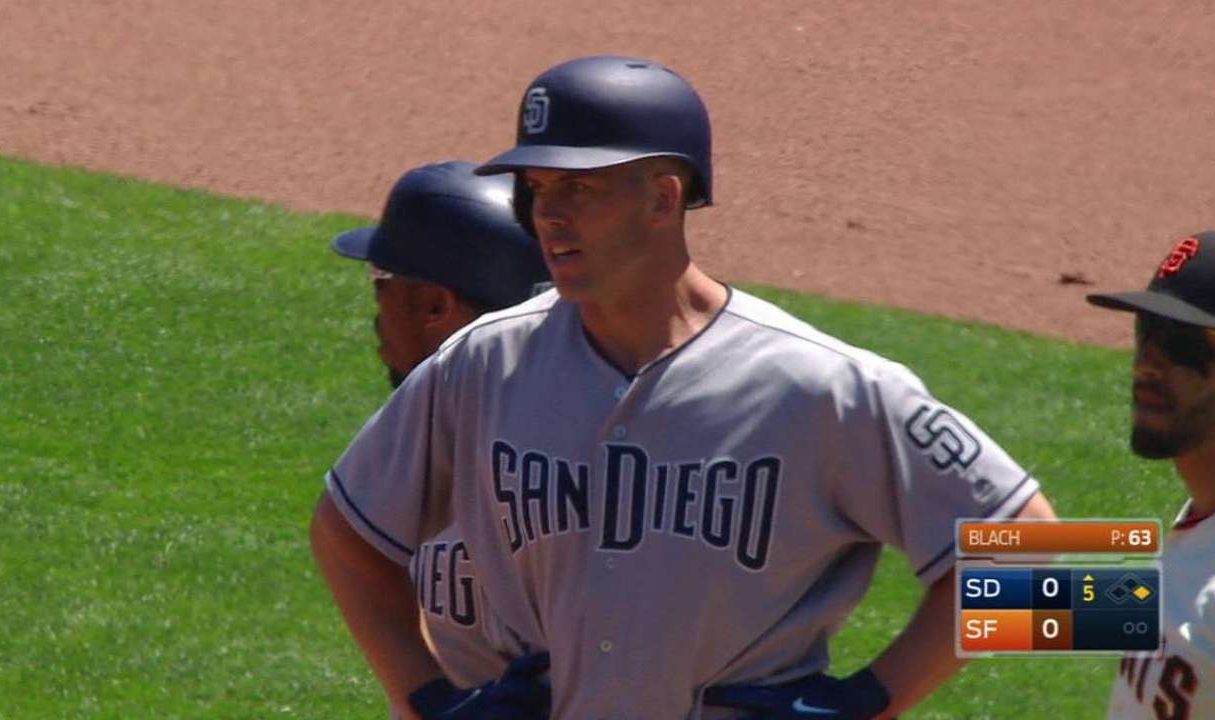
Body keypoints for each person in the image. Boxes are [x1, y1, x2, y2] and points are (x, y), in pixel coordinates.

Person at [315, 55, 1056, 720]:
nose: (550, 215)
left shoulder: (817, 385)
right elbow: (343, 538)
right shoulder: (484, 361)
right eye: (539, 190)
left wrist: (869, 700)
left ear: (664, 198)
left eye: (580, 187)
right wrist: (430, 702)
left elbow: (1068, 576)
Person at [311, 160, 554, 719]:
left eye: (381, 282)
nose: (375, 314)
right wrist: (431, 698)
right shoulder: (422, 428)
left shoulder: (546, 453)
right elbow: (346, 545)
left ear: (435, 307)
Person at [1087, 230, 1215, 719]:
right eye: (1147, 329)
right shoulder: (1205, 515)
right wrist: (983, 606)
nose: (1148, 362)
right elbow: (1164, 604)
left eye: (1184, 345)